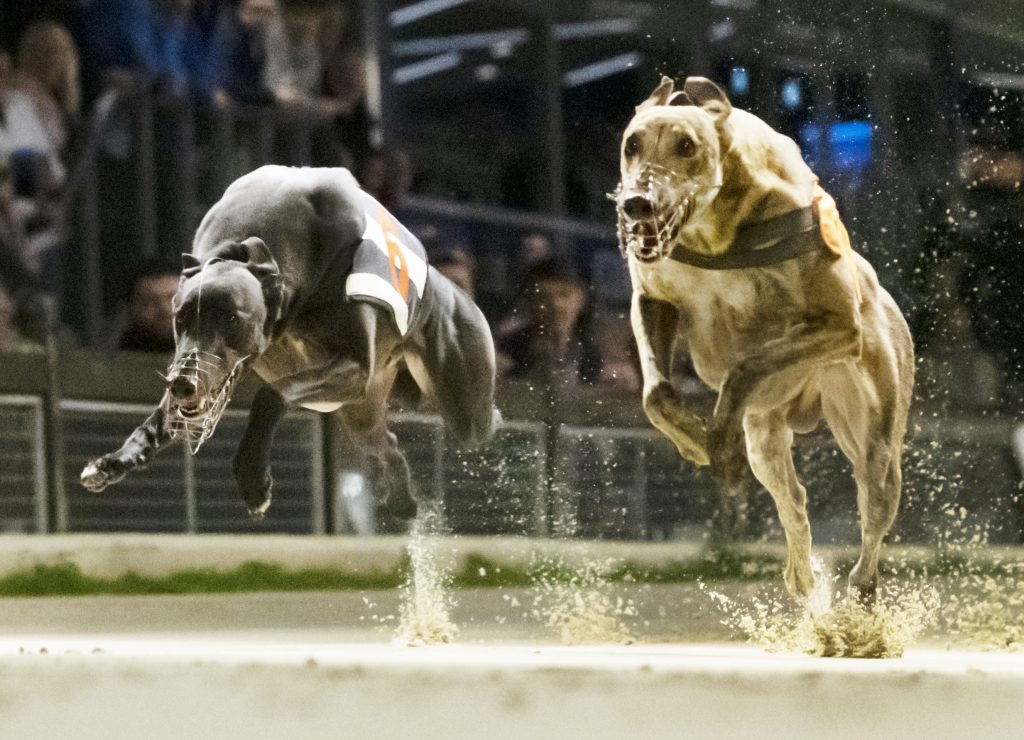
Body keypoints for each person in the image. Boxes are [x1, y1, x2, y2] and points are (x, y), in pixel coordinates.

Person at [498, 256, 600, 388]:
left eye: (564, 295)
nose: (555, 305)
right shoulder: (508, 351)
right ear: (530, 301)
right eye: (543, 297)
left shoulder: (591, 355)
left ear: (581, 299)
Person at [118, 260, 179, 353]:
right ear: (132, 309)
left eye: (174, 299)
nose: (165, 310)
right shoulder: (115, 362)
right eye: (149, 302)